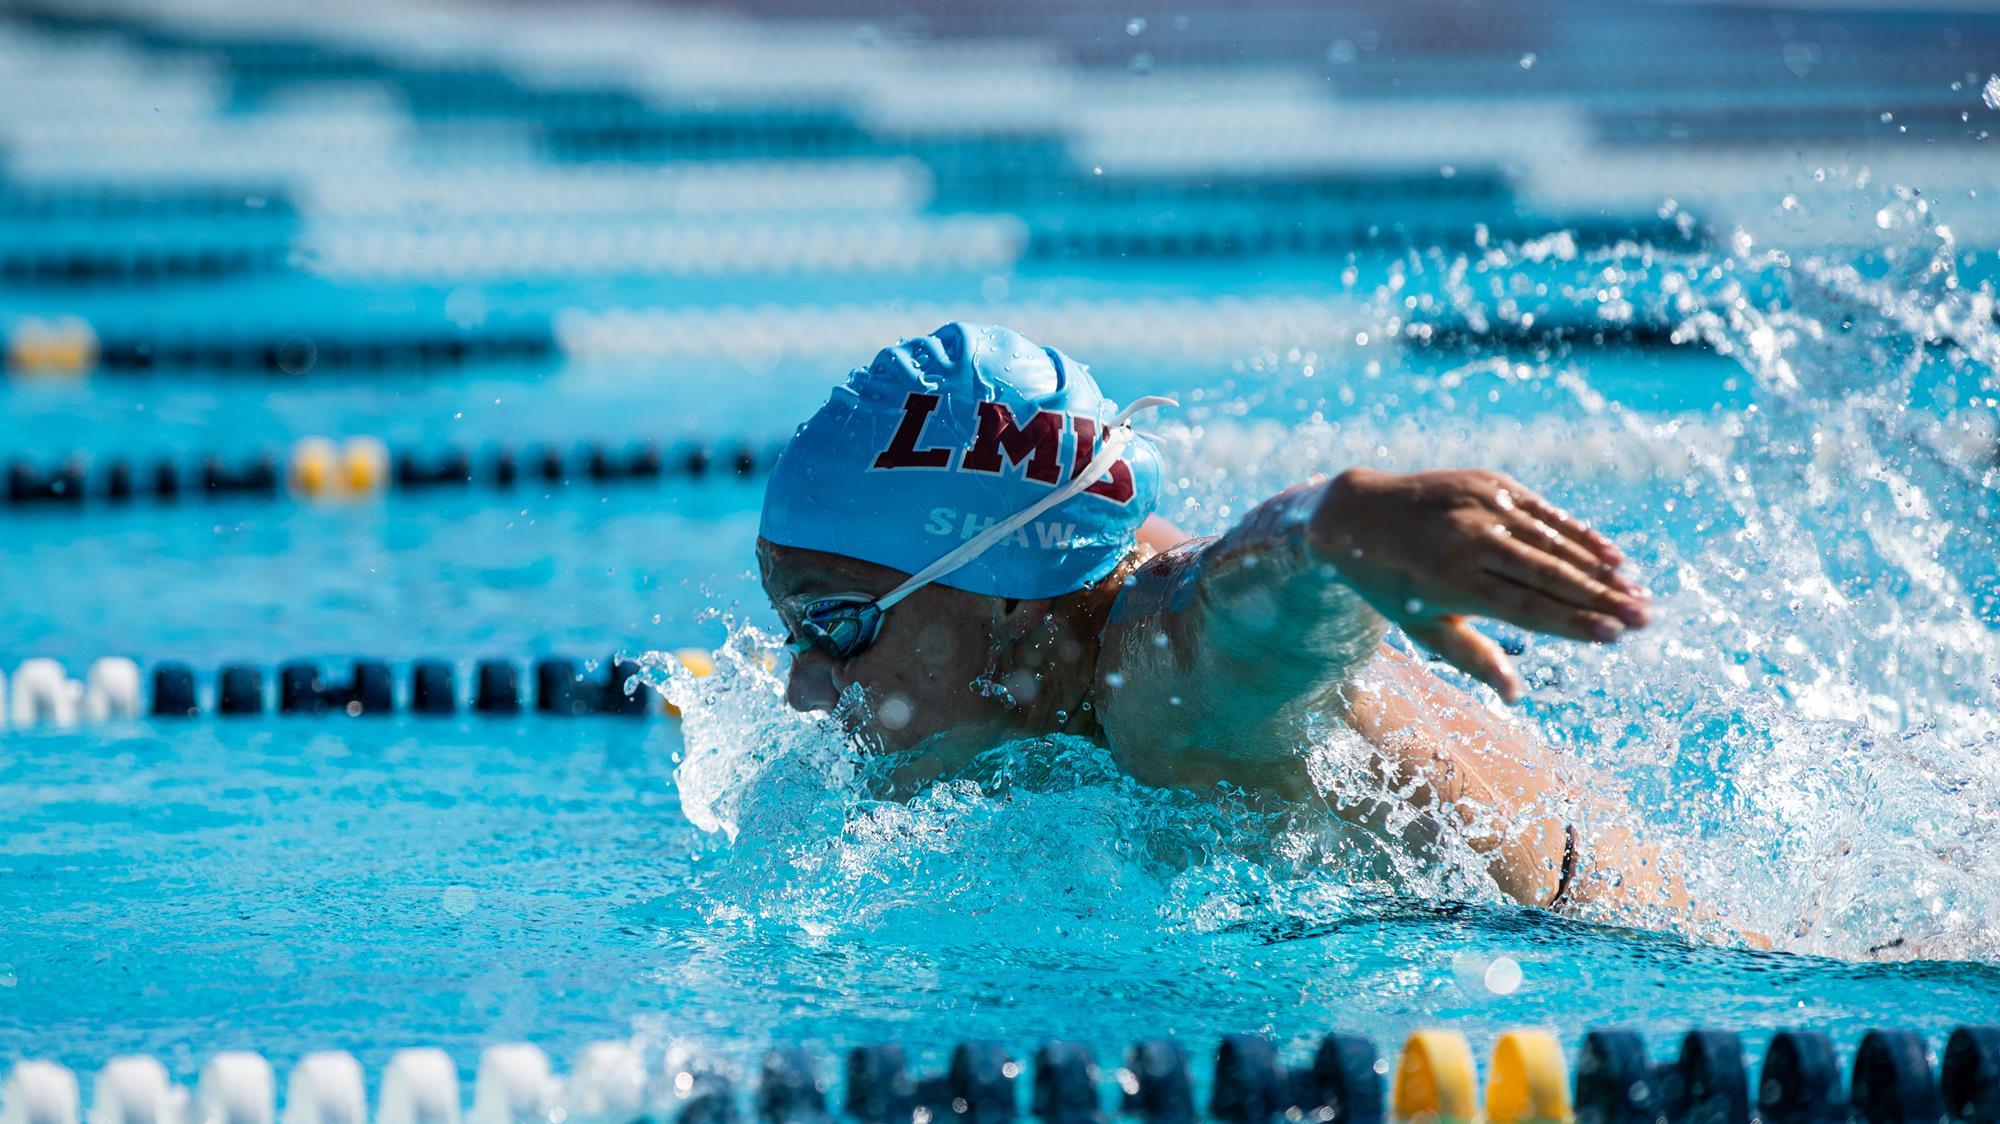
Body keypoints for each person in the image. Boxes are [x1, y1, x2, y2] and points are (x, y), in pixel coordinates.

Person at [756, 322, 1688, 917]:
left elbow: (1241, 612)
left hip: (1639, 964)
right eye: (792, 635)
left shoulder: (1156, 690)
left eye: (836, 626)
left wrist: (1338, 526)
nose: (803, 688)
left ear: (1007, 599)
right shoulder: (1062, 568)